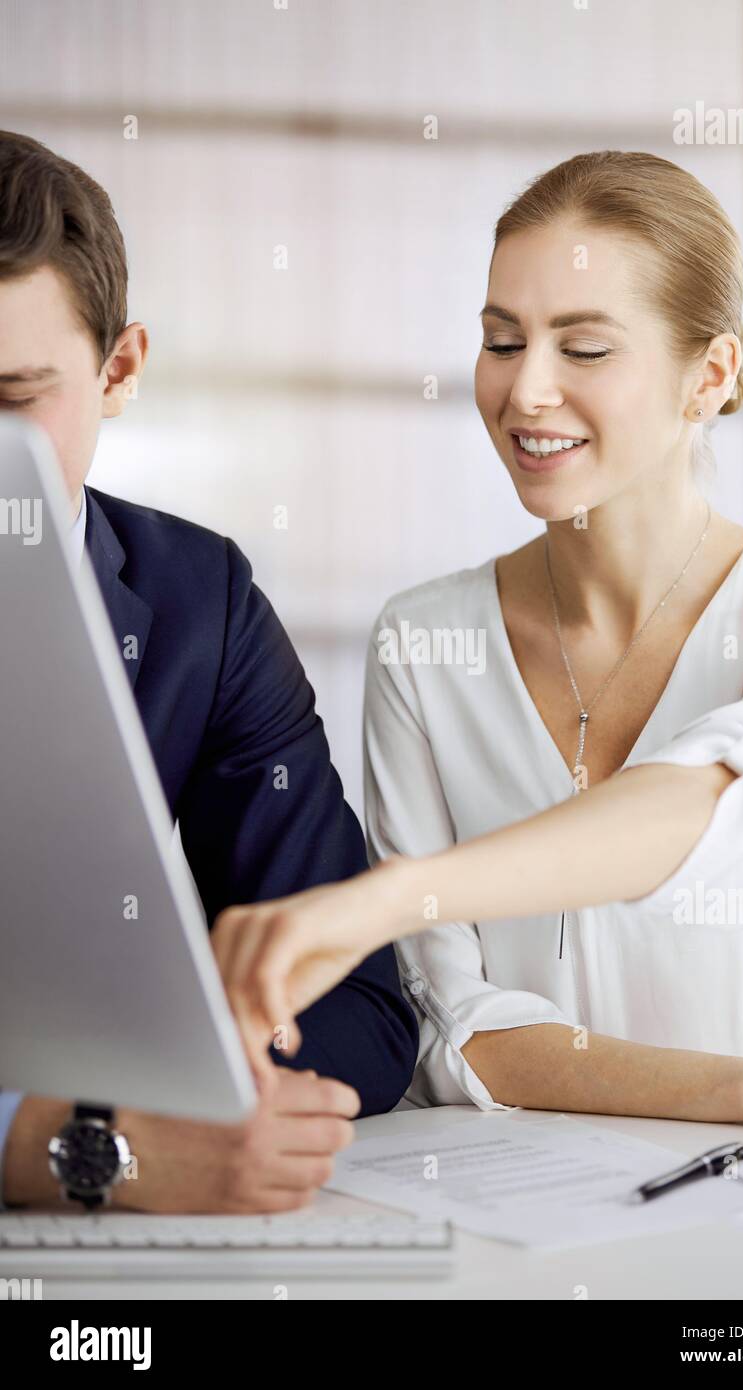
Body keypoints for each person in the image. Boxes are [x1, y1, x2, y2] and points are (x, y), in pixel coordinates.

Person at [212, 151, 743, 1135]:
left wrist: (383, 899)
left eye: (585, 348)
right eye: (502, 341)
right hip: (531, 1239)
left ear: (711, 373)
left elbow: (721, 803)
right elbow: (455, 1030)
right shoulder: (424, 642)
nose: (525, 393)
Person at [0, 130, 418, 1214]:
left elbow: (361, 1011)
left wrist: (205, 1079)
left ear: (119, 368)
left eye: (14, 400)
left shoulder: (203, 606)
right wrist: (78, 1142)